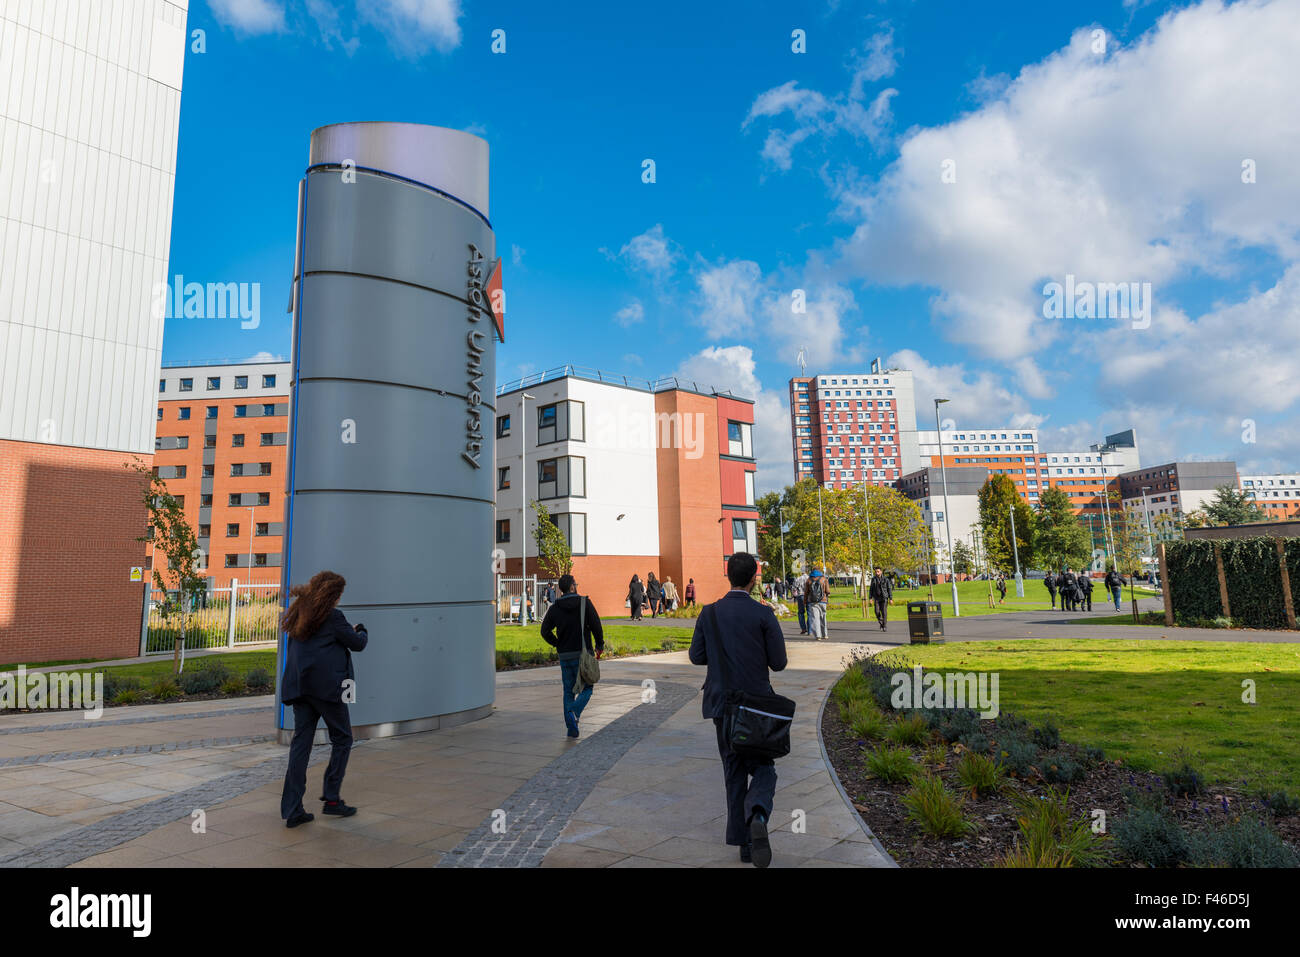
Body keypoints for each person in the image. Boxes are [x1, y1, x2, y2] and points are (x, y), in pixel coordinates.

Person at [689, 552, 787, 868]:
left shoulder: (710, 613)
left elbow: (696, 656)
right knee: (762, 766)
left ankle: (744, 845)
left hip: (722, 704)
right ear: (752, 578)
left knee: (732, 771)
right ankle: (757, 812)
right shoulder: (763, 614)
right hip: (757, 705)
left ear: (728, 576)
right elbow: (779, 662)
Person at [279, 570, 368, 828]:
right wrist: (361, 630)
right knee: (342, 738)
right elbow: (357, 643)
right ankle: (331, 799)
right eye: (339, 593)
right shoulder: (333, 616)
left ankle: (293, 809)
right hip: (327, 690)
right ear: (333, 593)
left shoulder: (299, 612)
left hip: (300, 687)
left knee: (301, 745)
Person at [540, 574, 605, 738]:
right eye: (575, 584)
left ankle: (571, 728)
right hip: (582, 654)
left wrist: (556, 643)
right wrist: (599, 645)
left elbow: (544, 630)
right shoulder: (584, 603)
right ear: (571, 587)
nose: (576, 585)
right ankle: (574, 711)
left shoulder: (555, 607)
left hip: (564, 655)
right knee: (588, 687)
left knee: (568, 691)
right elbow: (597, 625)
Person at [805, 568, 829, 640]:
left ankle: (818, 635)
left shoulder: (809, 580)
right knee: (823, 618)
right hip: (823, 601)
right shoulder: (824, 579)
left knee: (815, 619)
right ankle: (825, 635)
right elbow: (827, 591)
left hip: (812, 602)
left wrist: (805, 601)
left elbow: (806, 592)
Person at [868, 566, 892, 632]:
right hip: (877, 598)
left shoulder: (886, 579)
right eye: (876, 572)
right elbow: (871, 589)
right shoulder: (873, 579)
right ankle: (881, 623)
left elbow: (889, 589)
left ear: (881, 572)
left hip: (884, 598)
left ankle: (884, 626)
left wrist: (890, 598)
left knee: (884, 612)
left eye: (878, 571)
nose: (877, 573)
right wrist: (870, 598)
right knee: (876, 611)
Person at [794, 570, 810, 635]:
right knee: (809, 613)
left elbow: (793, 588)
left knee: (801, 613)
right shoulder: (809, 578)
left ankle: (803, 629)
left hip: (800, 596)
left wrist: (795, 595)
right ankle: (810, 629)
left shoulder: (798, 579)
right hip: (809, 596)